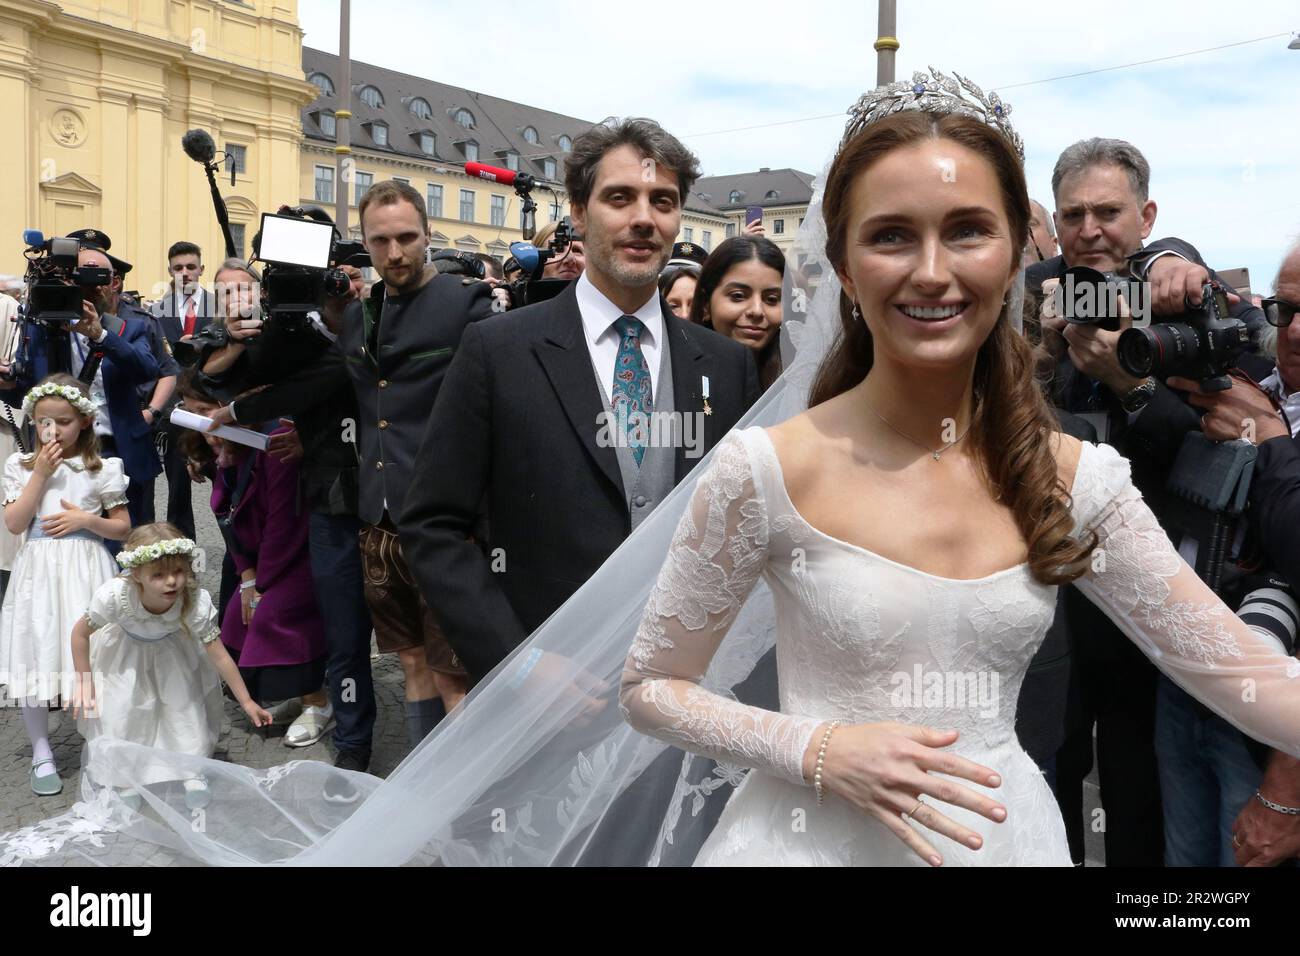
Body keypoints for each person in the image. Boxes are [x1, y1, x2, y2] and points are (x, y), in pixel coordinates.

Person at [617, 81, 1300, 866]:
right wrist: (817, 749)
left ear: (1016, 251)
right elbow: (653, 688)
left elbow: (1251, 677)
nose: (933, 273)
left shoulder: (1075, 480)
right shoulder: (767, 469)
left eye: (969, 231)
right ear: (843, 262)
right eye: (893, 236)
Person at [401, 117, 760, 685]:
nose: (644, 218)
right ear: (577, 211)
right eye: (620, 197)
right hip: (552, 697)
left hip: (689, 692)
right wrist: (520, 665)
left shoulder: (726, 365)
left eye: (662, 201)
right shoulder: (499, 350)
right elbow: (432, 525)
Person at [338, 179, 495, 745]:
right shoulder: (356, 317)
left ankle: (468, 806)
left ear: (429, 234)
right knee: (410, 665)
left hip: (445, 523)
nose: (395, 253)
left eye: (407, 237)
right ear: (365, 242)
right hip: (376, 519)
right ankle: (419, 792)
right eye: (380, 242)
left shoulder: (468, 304)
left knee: (456, 673)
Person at [1164, 245, 1300, 866]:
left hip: (1270, 725)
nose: (1295, 331)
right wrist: (1171, 264)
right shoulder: (1247, 382)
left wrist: (1269, 439)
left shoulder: (1262, 416)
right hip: (1187, 682)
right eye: (1287, 309)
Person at [69, 523, 273, 810]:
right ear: (136, 574)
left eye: (178, 572)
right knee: (123, 714)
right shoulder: (115, 597)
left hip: (172, 658)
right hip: (124, 659)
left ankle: (191, 770)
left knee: (184, 710)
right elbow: (79, 635)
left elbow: (220, 656)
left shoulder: (191, 603)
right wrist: (84, 681)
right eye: (159, 575)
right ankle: (126, 778)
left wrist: (247, 701)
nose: (171, 582)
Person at [178, 372, 331, 747]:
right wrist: (247, 577)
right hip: (260, 559)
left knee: (272, 614)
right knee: (235, 614)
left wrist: (261, 584)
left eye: (206, 411)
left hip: (297, 555)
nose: (205, 427)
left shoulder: (274, 439)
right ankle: (298, 696)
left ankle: (319, 701)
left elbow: (284, 521)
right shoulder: (230, 448)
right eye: (193, 414)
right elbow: (224, 513)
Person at [0, 376, 129, 796]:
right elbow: (16, 523)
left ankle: (98, 743)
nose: (52, 431)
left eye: (64, 421)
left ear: (86, 421)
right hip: (38, 573)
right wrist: (39, 474)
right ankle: (41, 751)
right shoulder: (19, 467)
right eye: (43, 422)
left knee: (94, 657)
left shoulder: (103, 468)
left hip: (87, 570)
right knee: (37, 653)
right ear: (32, 423)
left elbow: (124, 528)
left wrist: (87, 521)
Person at [15, 239, 163, 528]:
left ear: (115, 283)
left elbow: (147, 370)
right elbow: (27, 387)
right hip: (63, 451)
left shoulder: (131, 328)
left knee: (133, 541)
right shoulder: (44, 330)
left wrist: (101, 336)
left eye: (100, 278)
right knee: (70, 538)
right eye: (82, 276)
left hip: (121, 449)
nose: (92, 286)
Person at [148, 241, 218, 538]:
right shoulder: (154, 313)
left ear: (201, 269)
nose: (185, 273)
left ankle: (240, 552)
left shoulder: (219, 307)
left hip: (215, 409)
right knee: (178, 489)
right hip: (175, 412)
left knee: (225, 482)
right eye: (178, 268)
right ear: (170, 272)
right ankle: (182, 551)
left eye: (191, 267)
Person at [689, 235, 785, 390]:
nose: (757, 311)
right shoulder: (677, 373)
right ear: (706, 304)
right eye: (738, 296)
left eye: (772, 299)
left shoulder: (797, 380)